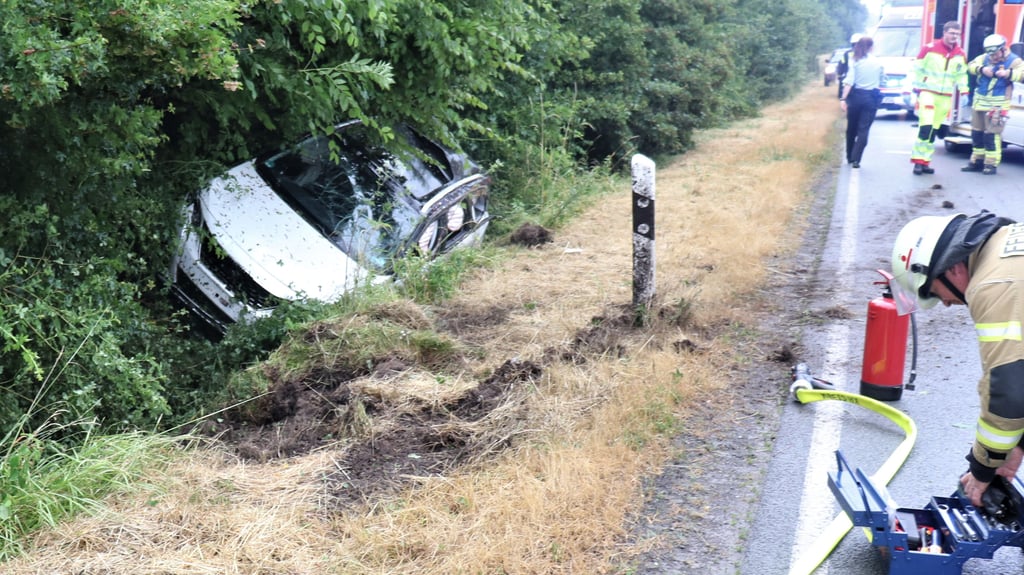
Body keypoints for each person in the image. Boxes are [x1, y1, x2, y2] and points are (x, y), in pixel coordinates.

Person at [890, 210, 1024, 508]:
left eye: (934, 294)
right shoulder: (1005, 247)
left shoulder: (993, 286)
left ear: (949, 269)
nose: (947, 304)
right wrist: (1016, 447)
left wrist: (982, 469)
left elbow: (1008, 394)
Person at [911, 21, 969, 175]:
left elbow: (961, 75)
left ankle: (925, 161)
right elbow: (917, 68)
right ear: (944, 33)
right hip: (928, 93)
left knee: (934, 131)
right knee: (926, 127)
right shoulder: (930, 49)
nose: (954, 36)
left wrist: (964, 92)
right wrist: (916, 88)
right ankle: (917, 161)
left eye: (957, 34)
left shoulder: (960, 54)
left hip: (945, 97)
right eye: (951, 33)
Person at [962, 34, 1024, 175]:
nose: (993, 57)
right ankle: (976, 161)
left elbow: (1022, 74)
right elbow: (970, 65)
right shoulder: (985, 58)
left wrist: (1008, 73)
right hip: (980, 102)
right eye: (990, 54)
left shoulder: (1014, 60)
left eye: (995, 54)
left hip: (998, 104)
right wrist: (981, 69)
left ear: (1003, 49)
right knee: (977, 134)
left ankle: (990, 164)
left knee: (992, 135)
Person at [840, 36, 884, 168]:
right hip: (871, 98)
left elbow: (849, 81)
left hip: (855, 97)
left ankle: (849, 155)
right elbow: (883, 80)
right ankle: (856, 159)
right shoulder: (878, 62)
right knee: (863, 130)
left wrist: (843, 99)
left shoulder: (855, 61)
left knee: (851, 128)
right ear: (871, 47)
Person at [836, 33, 863, 100]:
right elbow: (842, 63)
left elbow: (841, 65)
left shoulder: (847, 54)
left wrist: (839, 73)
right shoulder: (866, 54)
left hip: (849, 77)